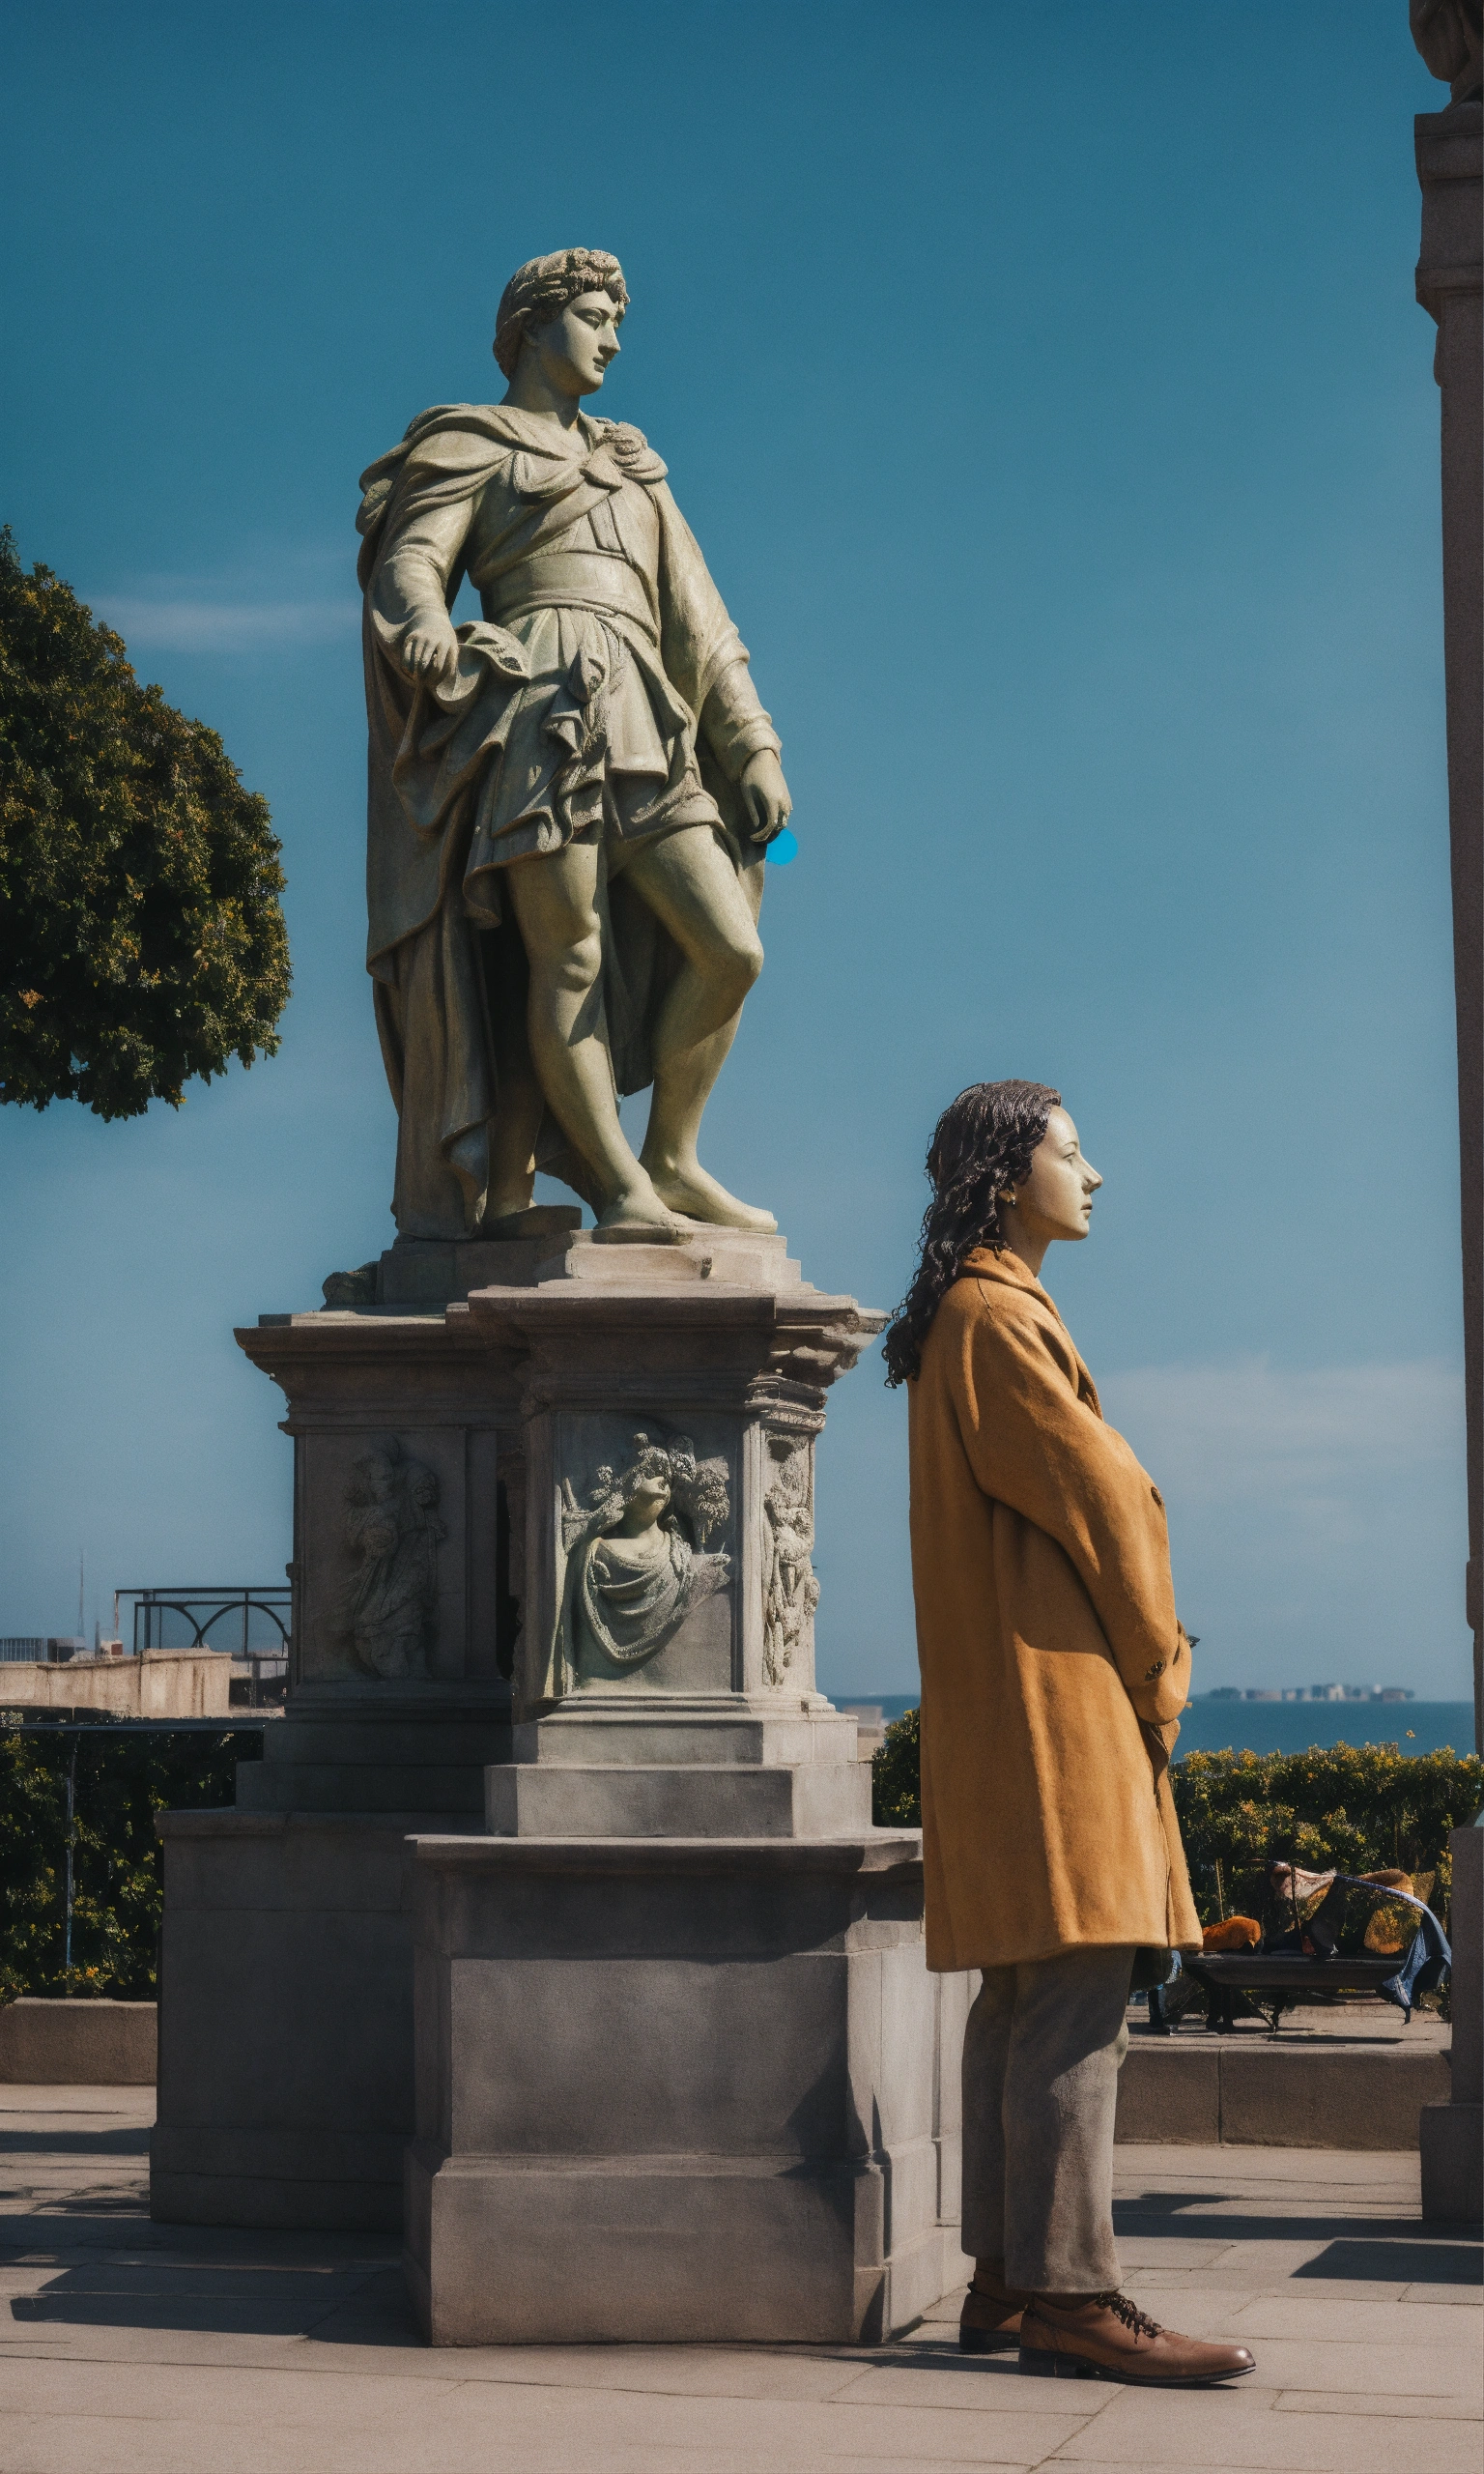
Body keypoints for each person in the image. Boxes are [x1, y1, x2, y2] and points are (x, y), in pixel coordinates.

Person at [883, 1080, 1256, 2388]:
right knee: (1077, 2000)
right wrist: (1161, 1667)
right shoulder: (998, 1318)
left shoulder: (963, 1320)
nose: (1093, 1177)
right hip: (1061, 1708)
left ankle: (1004, 2278)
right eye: (1071, 1151)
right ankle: (1074, 2293)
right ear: (1006, 1173)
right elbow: (1114, 1511)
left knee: (1023, 1994)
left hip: (1003, 1712)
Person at [357, 246, 791, 1240]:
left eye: (615, 321)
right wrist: (428, 622)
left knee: (730, 948)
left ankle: (670, 1157)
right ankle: (617, 1189)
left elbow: (698, 620)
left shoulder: (634, 468)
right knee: (568, 959)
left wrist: (753, 742)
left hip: (651, 721)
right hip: (541, 713)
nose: (612, 338)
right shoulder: (474, 445)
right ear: (532, 325)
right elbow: (411, 565)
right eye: (594, 316)